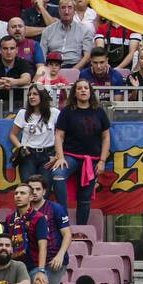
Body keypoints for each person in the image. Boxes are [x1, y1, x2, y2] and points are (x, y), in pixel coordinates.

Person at [49, 80, 110, 224]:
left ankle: (81, 229)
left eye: (86, 88)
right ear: (74, 92)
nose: (83, 90)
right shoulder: (67, 111)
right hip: (70, 157)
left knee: (84, 199)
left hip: (92, 161)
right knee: (57, 174)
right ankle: (63, 218)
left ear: (90, 91)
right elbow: (59, 135)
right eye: (79, 88)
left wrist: (102, 161)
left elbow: (106, 137)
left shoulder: (99, 111)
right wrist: (60, 157)